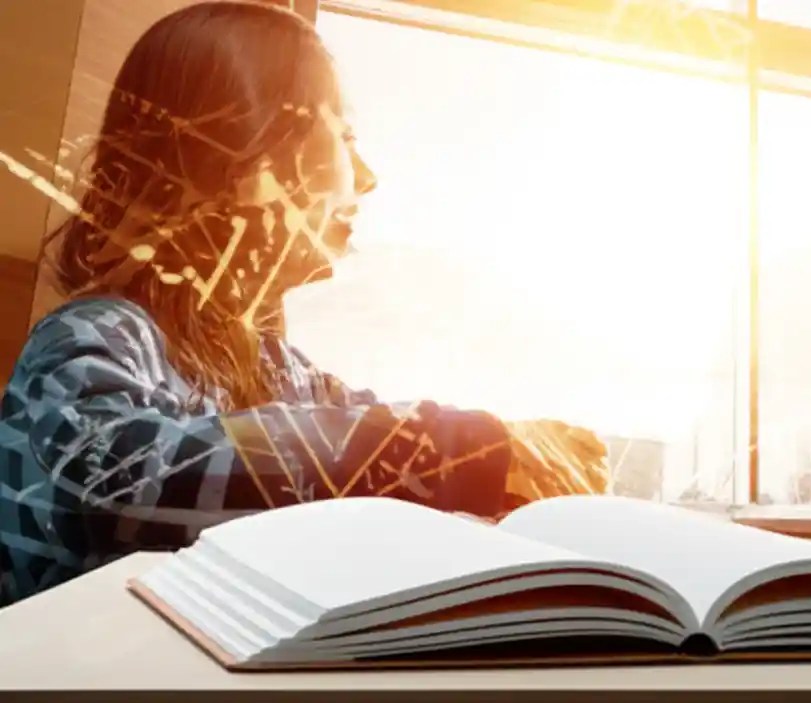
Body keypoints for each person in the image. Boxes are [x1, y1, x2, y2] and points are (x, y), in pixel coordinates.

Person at [0, 0, 607, 608]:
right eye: (344, 136)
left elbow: (354, 429)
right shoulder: (92, 338)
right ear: (248, 161)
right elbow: (118, 479)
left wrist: (522, 461)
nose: (365, 176)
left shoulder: (284, 373)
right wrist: (448, 448)